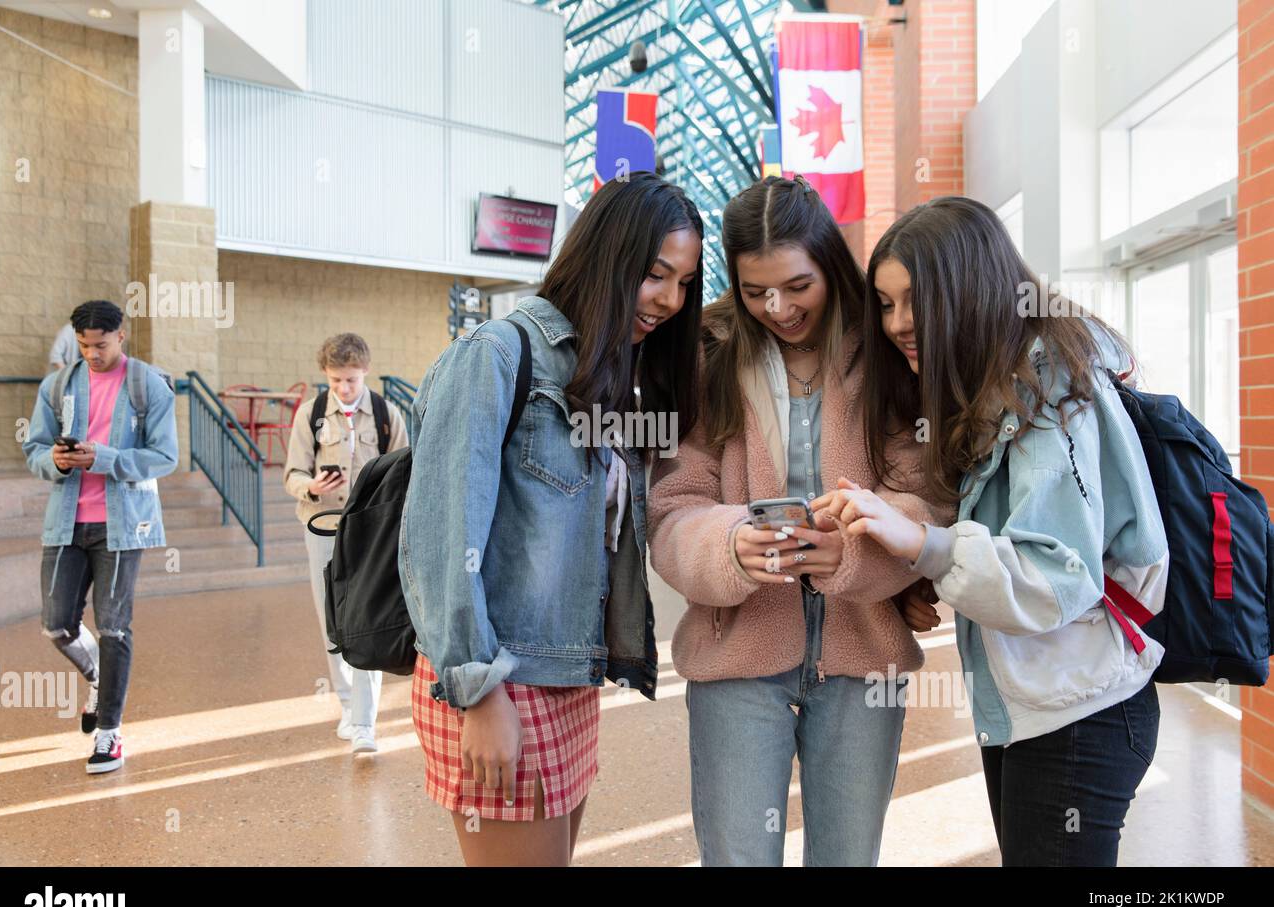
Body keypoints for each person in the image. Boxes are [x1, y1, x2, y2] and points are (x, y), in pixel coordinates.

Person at [827, 196, 1168, 866]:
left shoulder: (1053, 389)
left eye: (914, 300)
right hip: (1041, 705)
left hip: (1082, 714)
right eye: (886, 303)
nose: (898, 323)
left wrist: (926, 547)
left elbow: (1055, 577)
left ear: (969, 286)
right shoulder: (1002, 384)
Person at [401, 172, 703, 866]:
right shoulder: (498, 355)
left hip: (565, 675)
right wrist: (478, 691)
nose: (668, 299)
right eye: (655, 274)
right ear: (605, 256)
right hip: (493, 676)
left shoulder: (606, 376)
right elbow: (442, 539)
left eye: (684, 282)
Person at [648, 176, 950, 866]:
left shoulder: (886, 351)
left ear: (829, 260)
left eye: (797, 286)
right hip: (737, 655)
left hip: (863, 653)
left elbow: (926, 495)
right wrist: (729, 546)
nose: (778, 308)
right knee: (737, 857)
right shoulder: (706, 352)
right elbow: (671, 505)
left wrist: (851, 553)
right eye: (756, 292)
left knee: (847, 857)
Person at [22, 300, 179, 773]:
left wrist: (104, 458)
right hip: (67, 521)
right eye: (85, 345)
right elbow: (33, 449)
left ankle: (110, 734)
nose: (92, 354)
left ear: (122, 335)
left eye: (102, 344)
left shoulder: (148, 384)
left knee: (113, 627)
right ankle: (97, 675)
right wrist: (57, 460)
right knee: (56, 624)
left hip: (122, 524)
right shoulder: (57, 385)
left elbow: (164, 456)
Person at [284, 333, 408, 755]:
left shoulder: (386, 414)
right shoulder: (311, 414)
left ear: (365, 372)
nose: (343, 388)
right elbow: (292, 474)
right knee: (331, 620)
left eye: (351, 380)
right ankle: (346, 704)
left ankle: (363, 723)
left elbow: (406, 469)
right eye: (335, 380)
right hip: (322, 525)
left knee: (366, 615)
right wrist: (312, 486)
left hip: (370, 533)